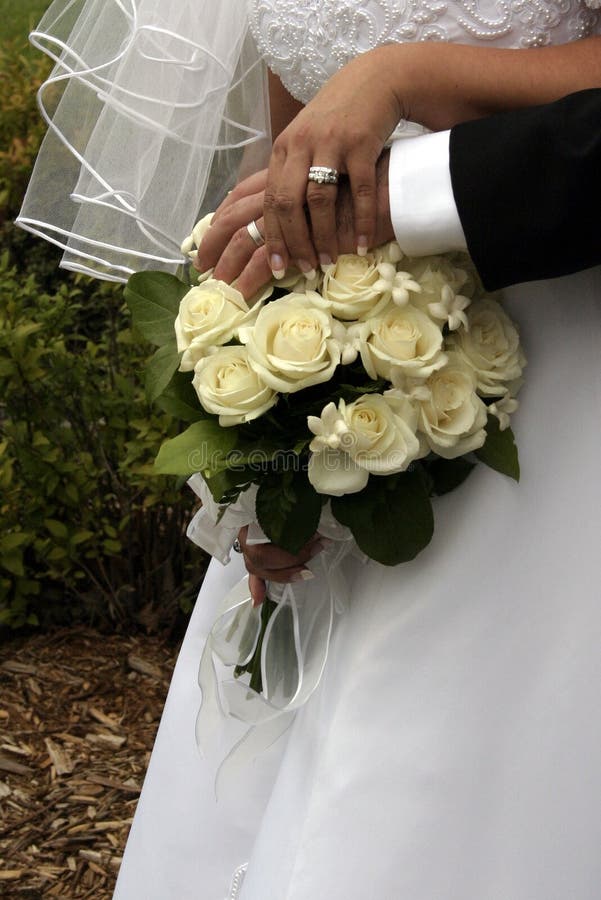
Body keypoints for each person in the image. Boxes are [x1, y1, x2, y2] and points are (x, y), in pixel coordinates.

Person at [18, 2, 601, 899]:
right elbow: (296, 115)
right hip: (346, 360)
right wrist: (263, 459)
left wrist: (409, 73)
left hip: (555, 370)